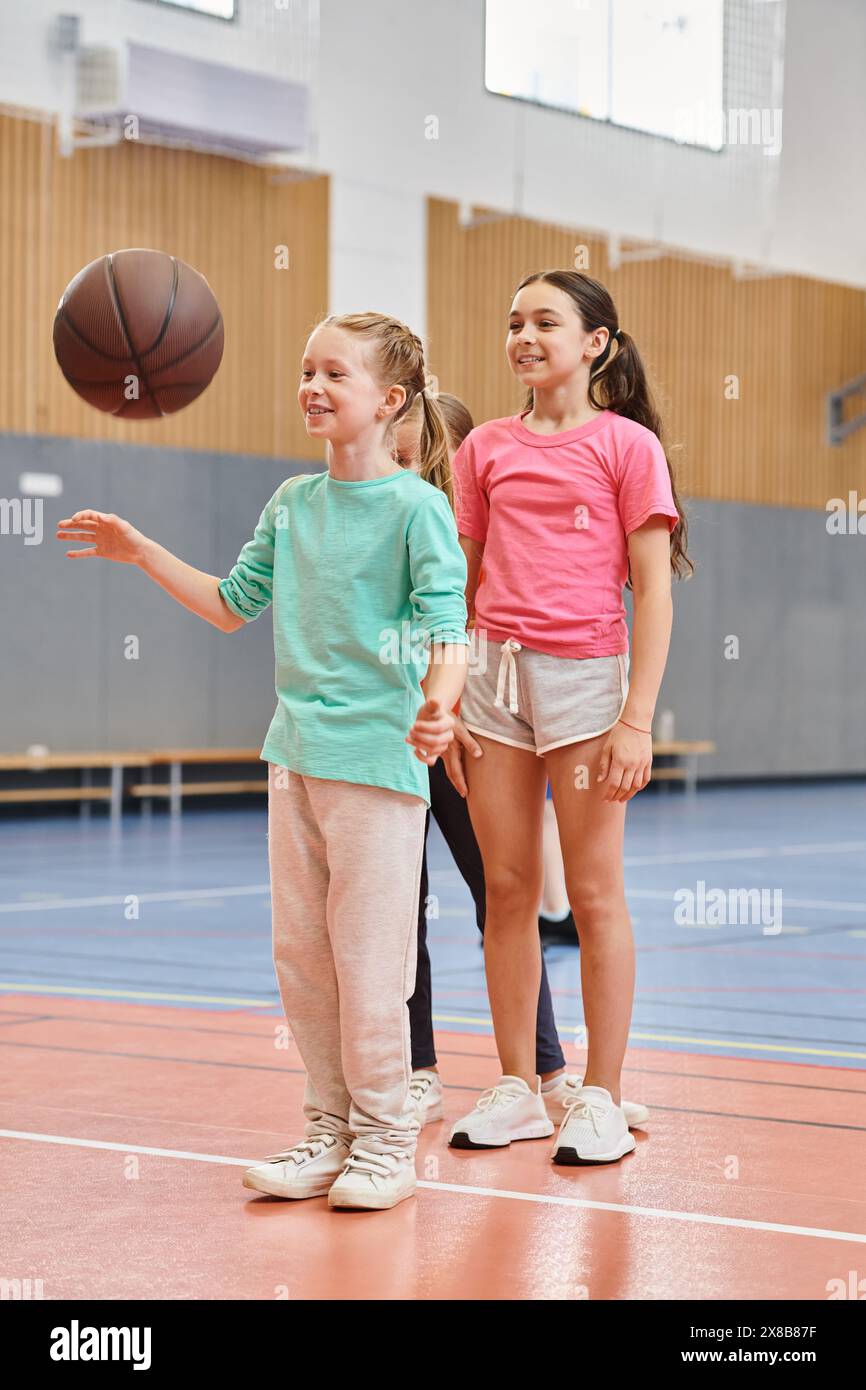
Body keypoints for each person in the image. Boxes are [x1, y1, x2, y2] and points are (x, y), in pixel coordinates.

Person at [55, 311, 469, 1211]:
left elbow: (447, 628)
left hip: (379, 770)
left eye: (335, 374)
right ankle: (330, 1129)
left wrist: (440, 703)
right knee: (304, 960)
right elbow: (231, 603)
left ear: (390, 400)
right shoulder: (292, 504)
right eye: (306, 369)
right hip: (295, 762)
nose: (312, 387)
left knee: (370, 967)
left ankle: (387, 1142)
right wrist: (138, 552)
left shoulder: (417, 507)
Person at [446, 269, 692, 1165]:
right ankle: (519, 1086)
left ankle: (602, 1097)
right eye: (514, 321)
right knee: (506, 891)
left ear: (596, 343)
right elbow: (459, 582)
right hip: (493, 682)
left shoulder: (627, 447)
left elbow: (653, 592)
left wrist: (637, 717)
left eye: (546, 321)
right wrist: (448, 691)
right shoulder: (486, 451)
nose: (525, 335)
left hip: (588, 681)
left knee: (592, 896)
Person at [393, 391, 649, 1133]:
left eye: (418, 457)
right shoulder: (381, 514)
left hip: (474, 713)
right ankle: (417, 1069)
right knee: (404, 905)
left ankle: (551, 1074)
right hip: (400, 726)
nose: (406, 467)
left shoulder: (481, 518)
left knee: (503, 893)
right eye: (398, 456)